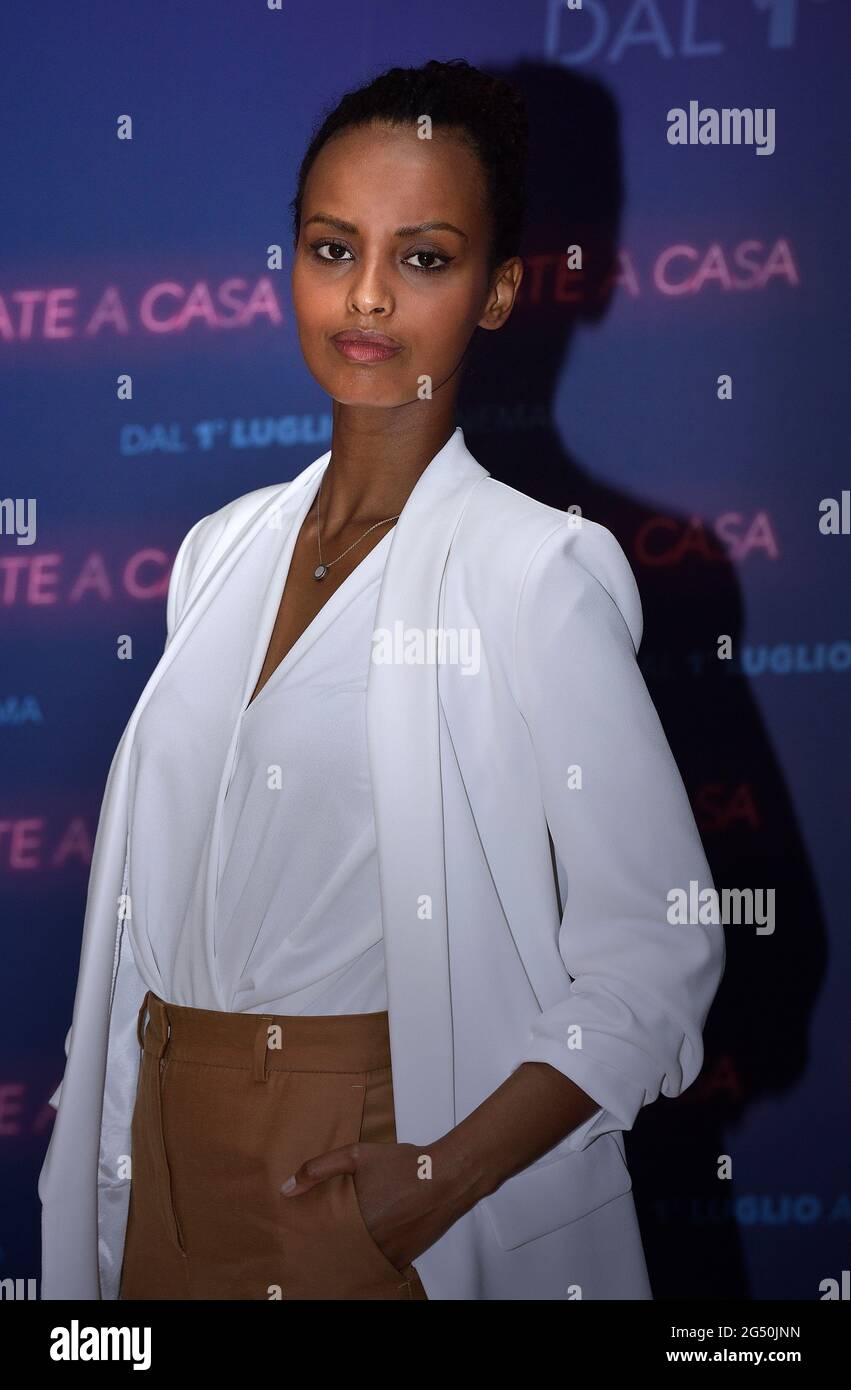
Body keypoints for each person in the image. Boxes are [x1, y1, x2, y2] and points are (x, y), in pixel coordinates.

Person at [39, 57, 725, 1301]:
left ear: (499, 290)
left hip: (358, 1180)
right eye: (328, 247)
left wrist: (439, 1175)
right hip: (155, 1164)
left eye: (421, 257)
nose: (363, 297)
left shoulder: (534, 572)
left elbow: (654, 955)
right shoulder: (219, 551)